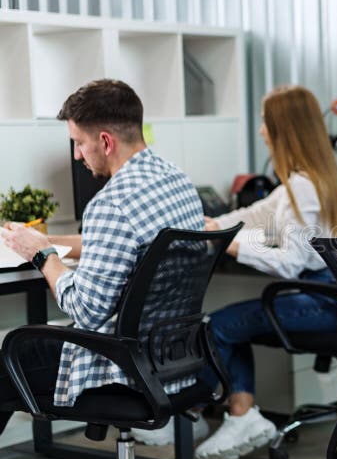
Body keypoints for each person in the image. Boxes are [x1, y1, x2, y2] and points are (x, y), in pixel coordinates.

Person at [131, 85, 337, 459]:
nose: (260, 131)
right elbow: (256, 215)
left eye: (265, 123)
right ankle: (207, 414)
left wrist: (227, 242)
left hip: (320, 302)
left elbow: (289, 262)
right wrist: (209, 223)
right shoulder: (312, 180)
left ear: (283, 129)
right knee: (225, 325)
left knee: (216, 327)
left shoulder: (303, 187)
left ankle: (225, 415)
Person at [0, 79, 205, 435]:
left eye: (79, 143)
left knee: (9, 355)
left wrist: (43, 255)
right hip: (171, 357)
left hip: (118, 367)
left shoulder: (110, 204)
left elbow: (85, 309)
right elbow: (118, 240)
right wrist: (42, 239)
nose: (78, 154)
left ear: (106, 141)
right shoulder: (177, 180)